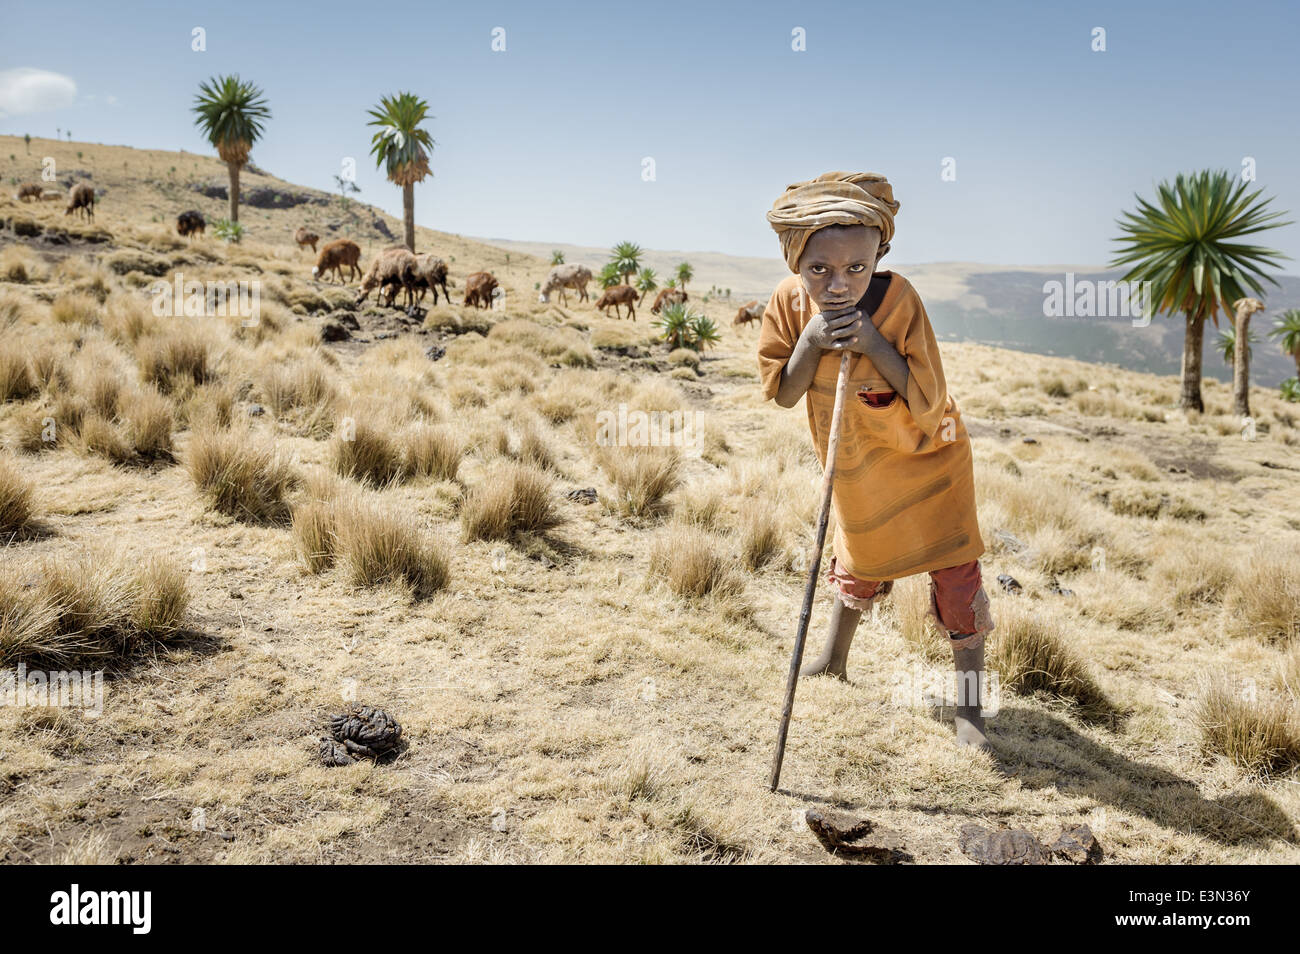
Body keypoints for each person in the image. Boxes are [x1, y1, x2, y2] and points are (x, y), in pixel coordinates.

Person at [756, 171, 994, 751]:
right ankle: (832, 661)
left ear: (878, 255)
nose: (839, 284)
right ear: (795, 262)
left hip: (929, 455)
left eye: (855, 269)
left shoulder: (900, 301)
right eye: (820, 270)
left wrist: (873, 344)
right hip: (858, 462)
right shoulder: (790, 308)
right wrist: (811, 341)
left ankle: (970, 709)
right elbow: (784, 392)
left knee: (955, 573)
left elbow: (927, 398)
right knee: (860, 555)